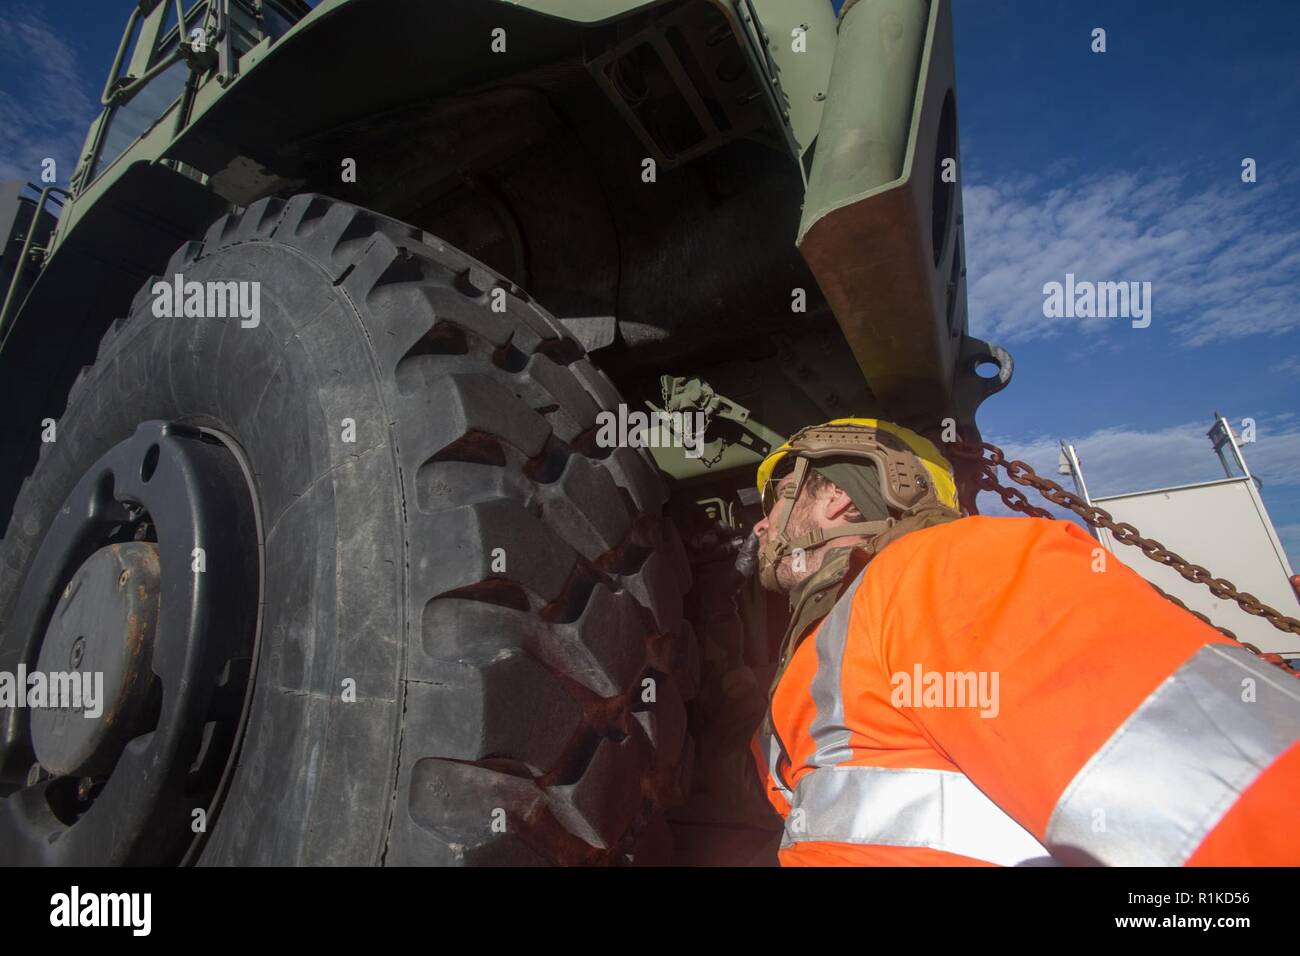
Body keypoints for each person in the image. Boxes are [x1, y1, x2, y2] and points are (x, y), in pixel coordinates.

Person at [745, 417, 1300, 866]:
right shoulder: (838, 645)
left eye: (774, 499)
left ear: (838, 496)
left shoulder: (950, 573)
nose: (761, 527)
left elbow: (1242, 807)